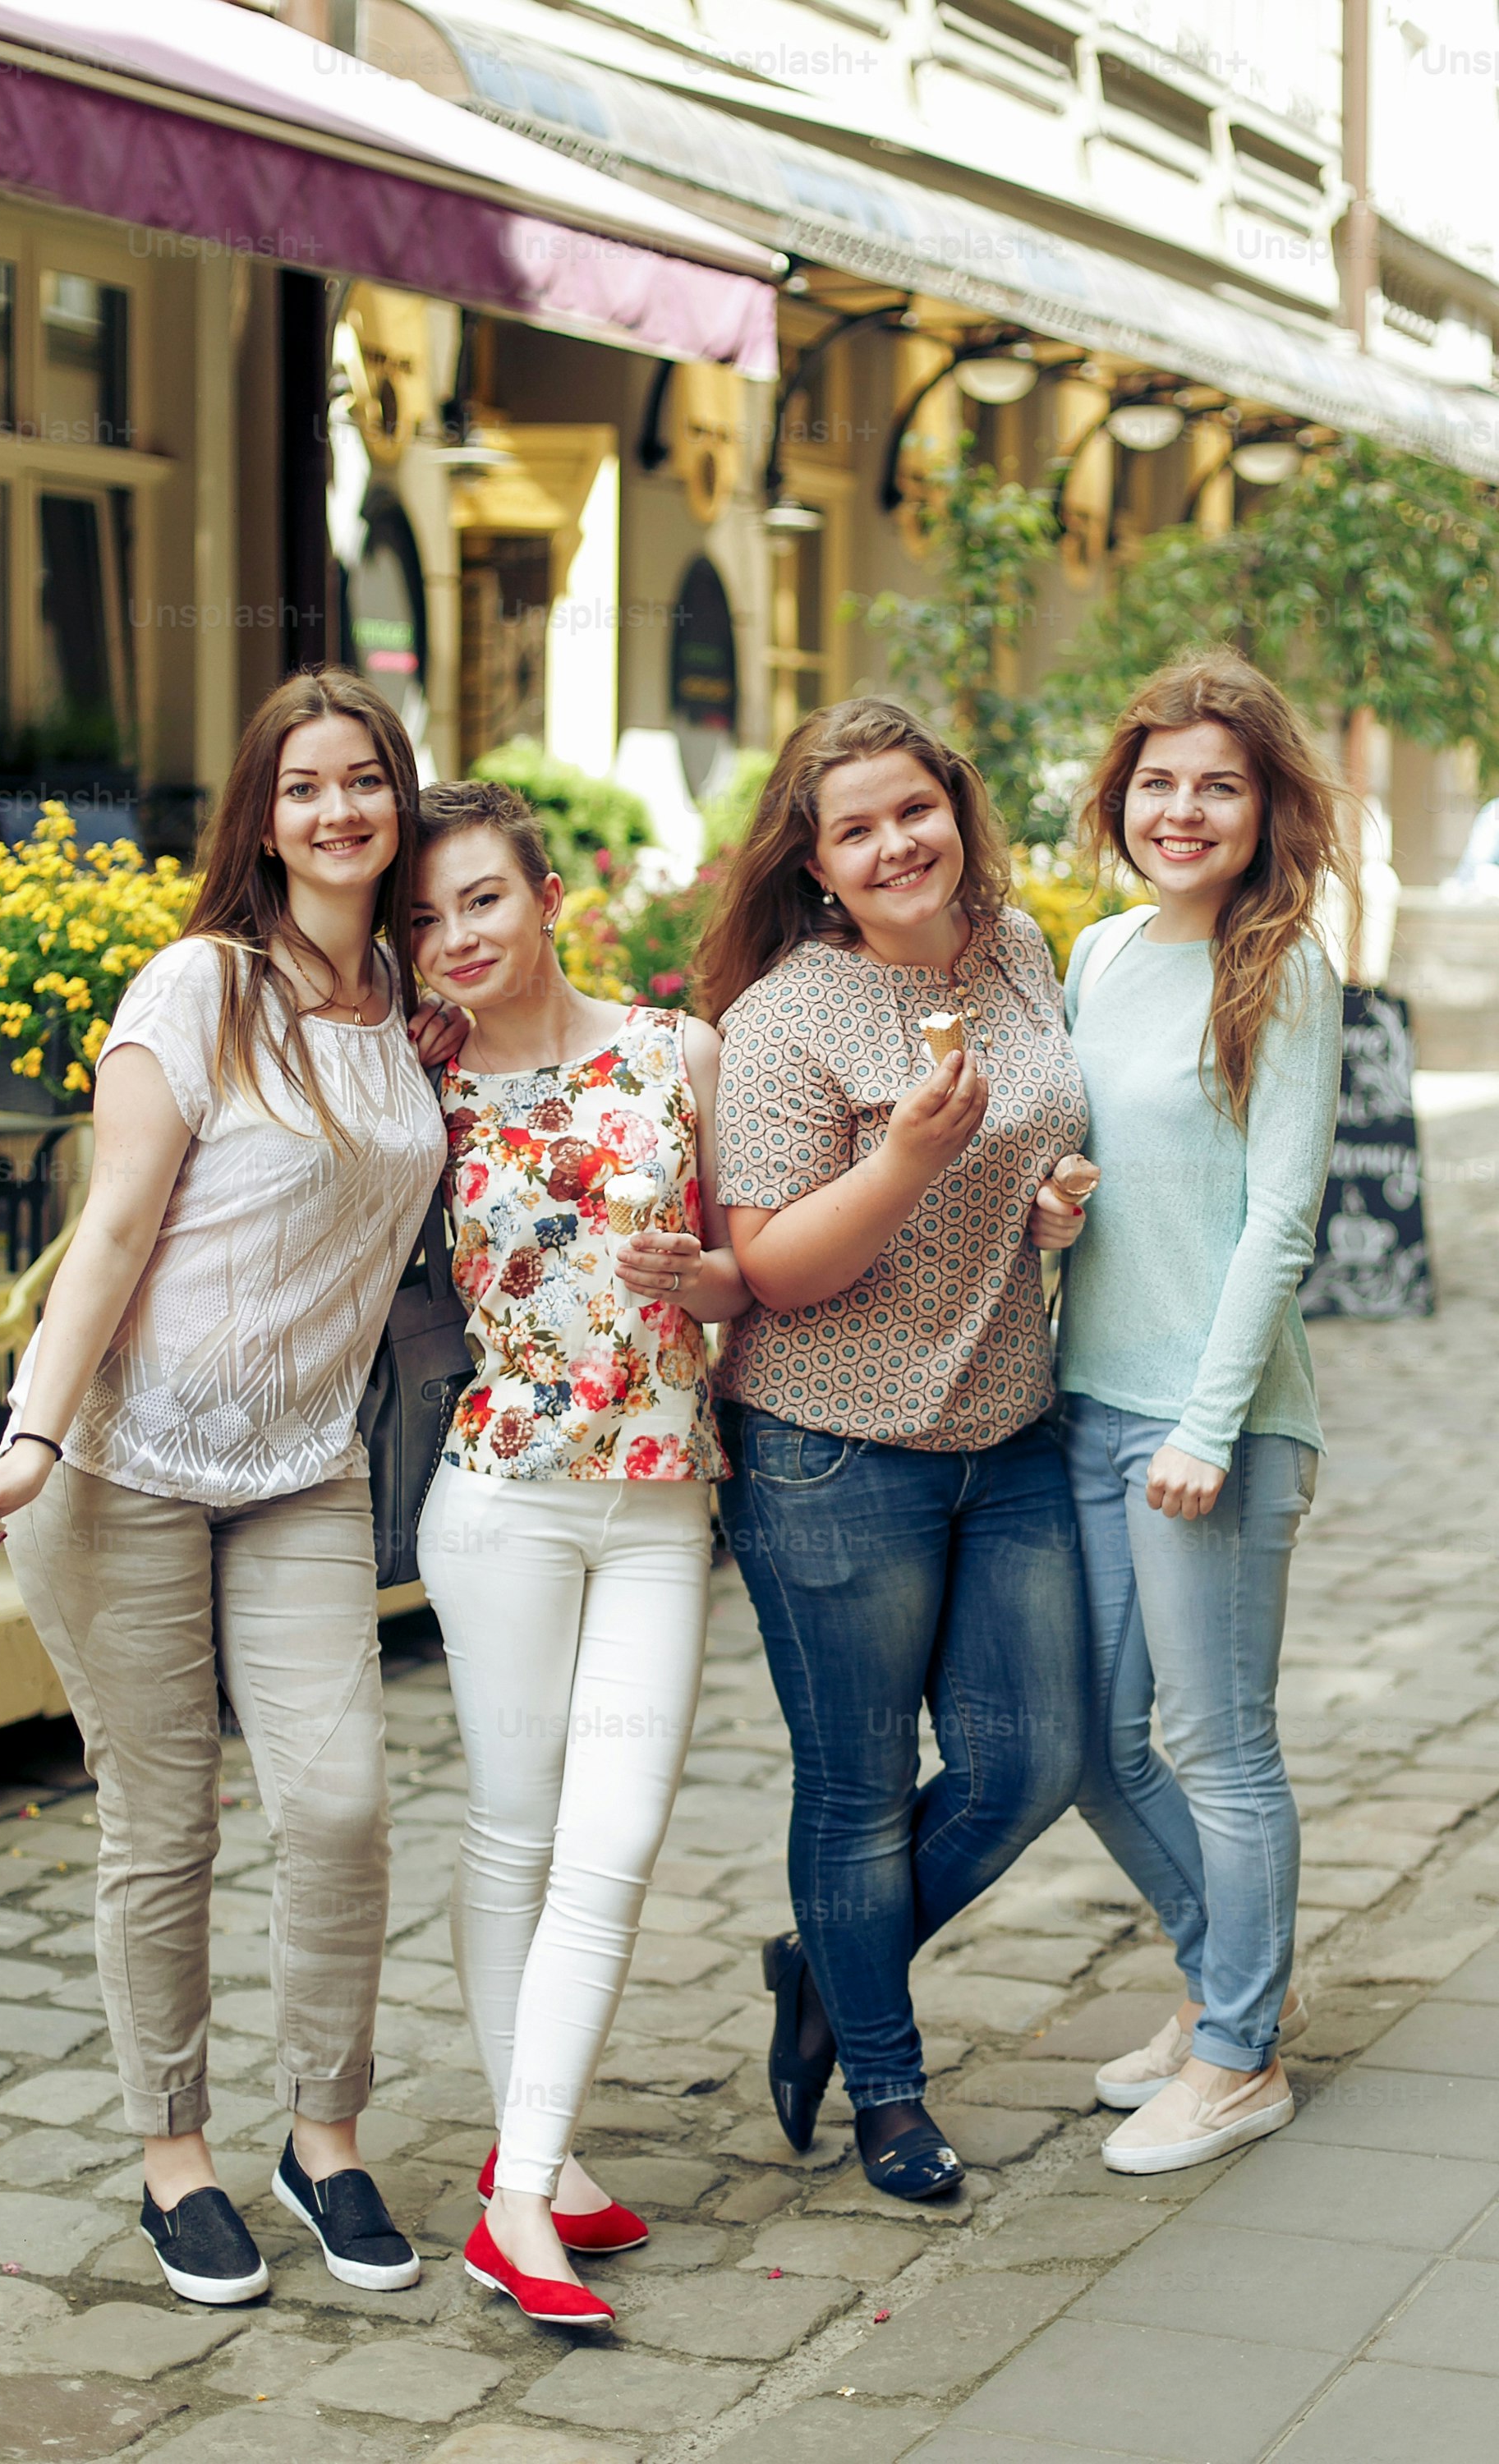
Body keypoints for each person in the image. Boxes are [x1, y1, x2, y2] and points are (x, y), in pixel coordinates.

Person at [0, 670, 456, 2303]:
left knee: (336, 1805)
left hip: (302, 1471)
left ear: (399, 801)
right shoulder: (198, 990)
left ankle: (328, 2136)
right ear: (262, 813)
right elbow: (109, 1229)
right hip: (127, 1468)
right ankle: (177, 2157)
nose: (337, 810)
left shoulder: (410, 994)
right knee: (162, 1831)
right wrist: (28, 1439)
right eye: (304, 785)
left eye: (364, 780)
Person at [692, 697, 1091, 2202]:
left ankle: (822, 1957)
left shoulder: (1015, 948)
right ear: (817, 861)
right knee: (854, 1791)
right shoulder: (783, 1022)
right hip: (832, 1451)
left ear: (956, 809)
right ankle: (885, 2089)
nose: (895, 844)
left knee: (1028, 1760)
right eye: (856, 828)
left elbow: (1043, 1130)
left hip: (1010, 1427)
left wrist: (1054, 1191)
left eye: (913, 810)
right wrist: (911, 1156)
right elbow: (776, 1271)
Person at [410, 779, 750, 2328]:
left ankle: (522, 2191)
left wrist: (720, 1275)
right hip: (502, 1508)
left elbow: (755, 1267)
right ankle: (528, 2180)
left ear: (550, 895)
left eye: (481, 897)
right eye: (422, 918)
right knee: (514, 1835)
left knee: (609, 1848)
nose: (454, 935)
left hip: (664, 1502)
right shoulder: (419, 1086)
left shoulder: (679, 1054)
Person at [1057, 649, 1346, 2174]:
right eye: (1159, 783)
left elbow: (1279, 1227)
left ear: (1263, 806)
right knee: (1099, 1743)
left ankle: (1239, 2058)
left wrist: (1208, 1428)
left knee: (1219, 1742)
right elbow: (1097, 1171)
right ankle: (1229, 1967)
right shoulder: (1099, 953)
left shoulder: (1285, 965)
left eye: (1217, 786)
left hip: (1210, 1429)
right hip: (1091, 1401)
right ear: (1123, 798)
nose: (1183, 810)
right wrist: (1055, 1204)